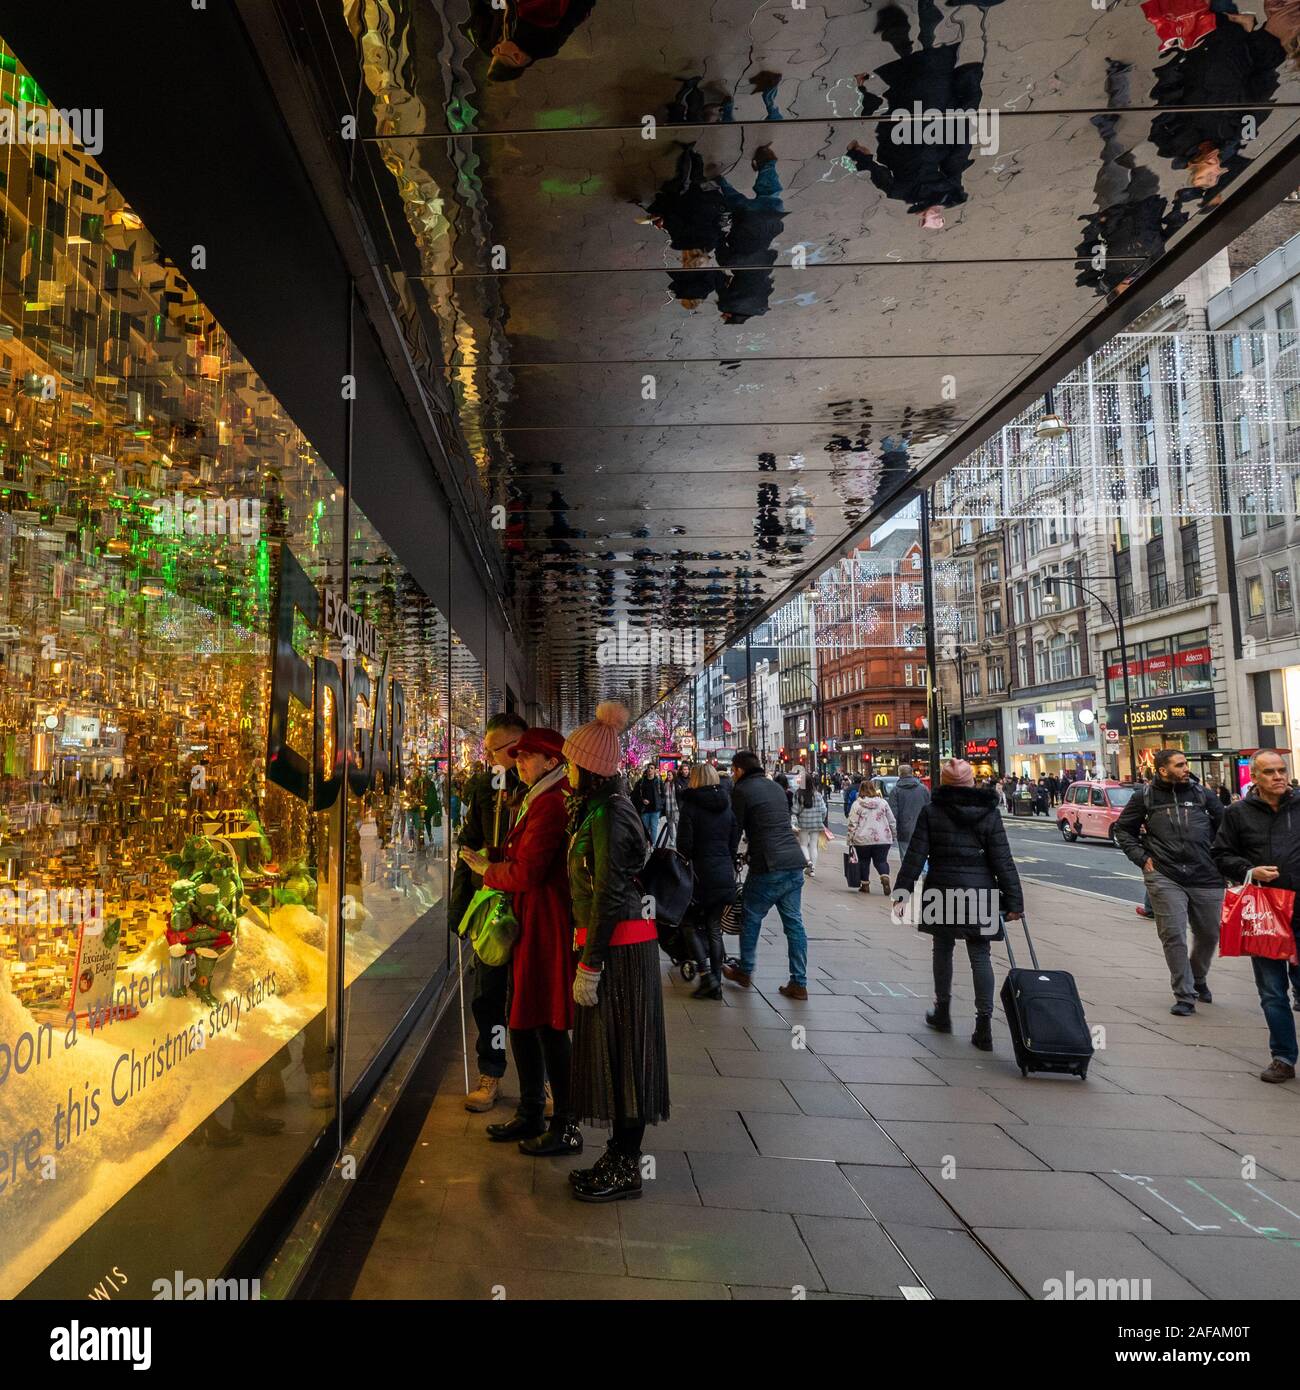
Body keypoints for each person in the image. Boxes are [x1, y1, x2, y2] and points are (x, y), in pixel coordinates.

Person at [565, 701, 669, 1201]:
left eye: (571, 763)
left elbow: (607, 893)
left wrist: (591, 962)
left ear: (588, 768)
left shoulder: (610, 814)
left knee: (625, 1052)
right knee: (617, 1050)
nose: (567, 771)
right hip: (616, 946)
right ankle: (619, 1155)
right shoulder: (604, 809)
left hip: (621, 953)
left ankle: (627, 1165)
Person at [459, 728, 579, 1154]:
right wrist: (494, 857)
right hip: (533, 919)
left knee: (543, 1021)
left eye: (526, 757)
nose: (518, 764)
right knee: (525, 1019)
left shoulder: (549, 803)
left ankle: (562, 1123)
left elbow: (529, 873)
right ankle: (531, 1112)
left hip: (543, 923)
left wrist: (488, 872)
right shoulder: (541, 796)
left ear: (550, 761)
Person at [892, 758, 1024, 1051]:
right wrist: (1014, 901)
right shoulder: (989, 813)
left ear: (944, 783)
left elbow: (915, 854)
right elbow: (1002, 859)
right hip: (981, 892)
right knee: (981, 956)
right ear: (971, 782)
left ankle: (942, 1011)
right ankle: (984, 1024)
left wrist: (901, 892)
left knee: (942, 949)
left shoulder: (932, 811)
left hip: (942, 888)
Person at [451, 711, 527, 1112]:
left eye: (493, 750)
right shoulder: (485, 788)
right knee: (489, 994)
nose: (489, 758)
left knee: (532, 996)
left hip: (530, 907)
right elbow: (469, 840)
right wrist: (460, 906)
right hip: (492, 907)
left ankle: (543, 1080)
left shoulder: (544, 787)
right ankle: (491, 1071)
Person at [1114, 747, 1225, 1017]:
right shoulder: (1145, 797)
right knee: (1173, 934)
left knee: (1210, 934)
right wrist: (1142, 858)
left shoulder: (1203, 795)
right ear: (1163, 770)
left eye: (1185, 763)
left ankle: (1198, 977)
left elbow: (1226, 828)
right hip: (1165, 874)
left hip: (1206, 875)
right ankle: (1184, 994)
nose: (1186, 768)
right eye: (1180, 765)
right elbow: (1123, 830)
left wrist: (1225, 862)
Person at [1212, 749, 1300, 1083]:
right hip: (1264, 913)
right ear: (1256, 777)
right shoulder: (1238, 813)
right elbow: (1220, 854)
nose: (1278, 777)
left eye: (1282, 770)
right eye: (1270, 772)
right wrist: (1250, 870)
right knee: (1272, 991)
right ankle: (1283, 1058)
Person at [723, 750, 811, 999]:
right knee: (794, 924)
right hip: (793, 862)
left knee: (750, 917)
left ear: (739, 770)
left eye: (733, 770)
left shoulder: (741, 791)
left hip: (768, 865)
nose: (732, 774)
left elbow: (735, 829)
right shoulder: (775, 788)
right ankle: (799, 981)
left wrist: (729, 859)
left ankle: (745, 970)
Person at [677, 762, 740, 999]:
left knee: (688, 923)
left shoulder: (690, 806)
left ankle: (706, 976)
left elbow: (684, 845)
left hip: (700, 875)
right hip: (723, 873)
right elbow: (734, 838)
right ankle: (716, 981)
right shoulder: (727, 805)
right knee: (714, 929)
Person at [847, 779, 897, 895]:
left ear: (860, 790)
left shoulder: (857, 804)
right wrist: (893, 834)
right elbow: (892, 820)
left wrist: (850, 839)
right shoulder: (883, 803)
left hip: (862, 838)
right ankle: (884, 876)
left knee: (864, 861)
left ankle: (865, 885)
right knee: (881, 861)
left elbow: (852, 823)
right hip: (883, 838)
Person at [888, 767, 930, 864]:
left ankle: (909, 878)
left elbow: (893, 813)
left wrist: (892, 831)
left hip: (904, 829)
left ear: (900, 774)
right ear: (912, 773)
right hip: (922, 828)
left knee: (905, 856)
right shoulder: (923, 789)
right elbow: (929, 808)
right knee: (922, 855)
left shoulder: (895, 791)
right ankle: (923, 875)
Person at [795, 779, 829, 876]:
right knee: (814, 845)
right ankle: (812, 869)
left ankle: (808, 861)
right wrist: (821, 819)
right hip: (816, 823)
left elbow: (795, 809)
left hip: (803, 823)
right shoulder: (818, 795)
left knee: (803, 844)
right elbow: (823, 809)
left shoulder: (798, 795)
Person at [633, 764, 664, 842]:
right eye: (648, 768)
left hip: (655, 810)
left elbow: (663, 795)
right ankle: (645, 845)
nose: (650, 769)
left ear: (654, 770)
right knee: (644, 829)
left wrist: (660, 804)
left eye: (651, 768)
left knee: (654, 828)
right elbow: (635, 794)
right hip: (644, 810)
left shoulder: (659, 781)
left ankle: (652, 846)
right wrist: (642, 800)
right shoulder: (642, 781)